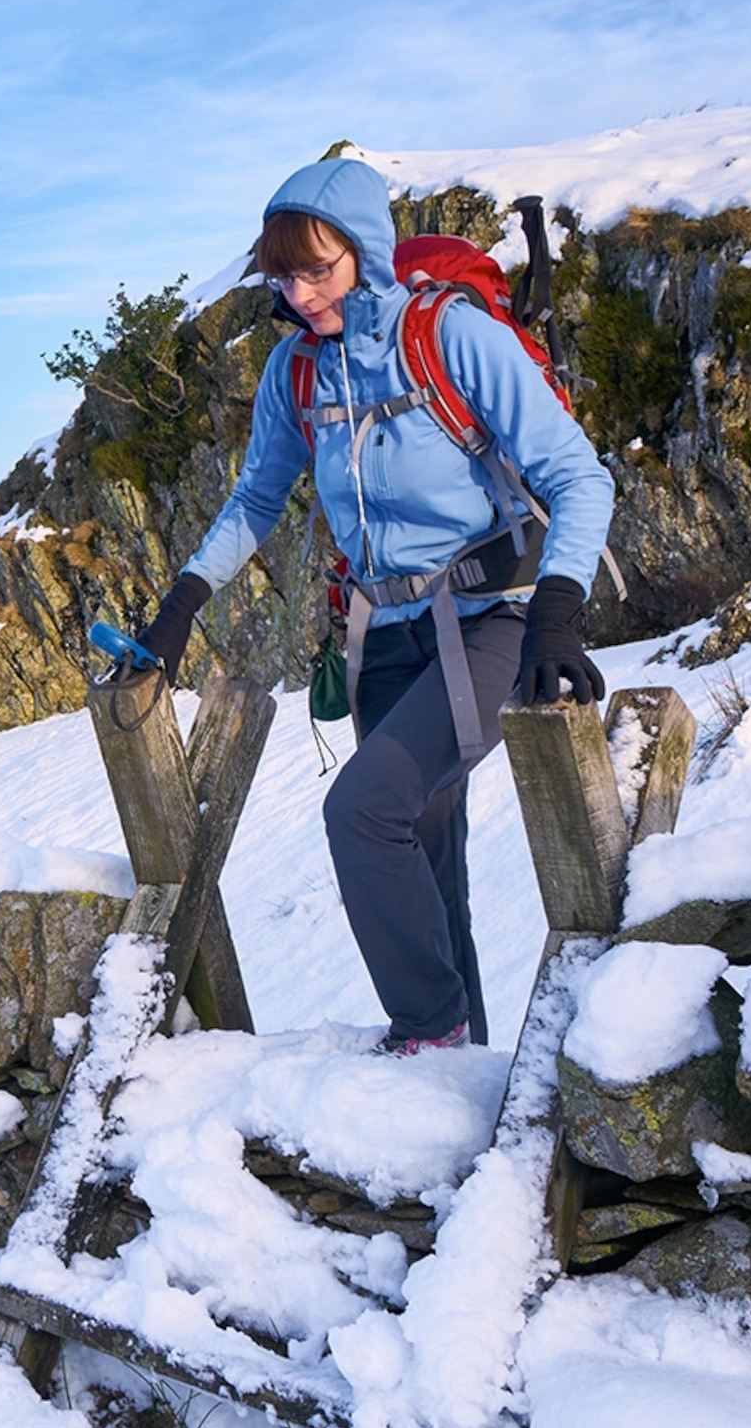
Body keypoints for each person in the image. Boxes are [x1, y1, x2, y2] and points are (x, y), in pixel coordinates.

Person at [133, 157, 615, 1052]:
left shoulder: (449, 337)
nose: (301, 291)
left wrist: (558, 611)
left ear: (366, 253)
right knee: (426, 859)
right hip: (383, 639)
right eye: (285, 274)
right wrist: (182, 605)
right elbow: (255, 500)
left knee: (362, 811)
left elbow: (579, 475)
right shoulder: (297, 373)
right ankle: (459, 1063)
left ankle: (428, 1033)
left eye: (320, 267)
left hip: (492, 621)